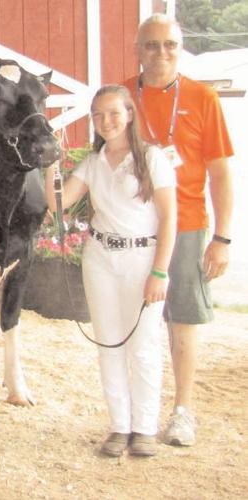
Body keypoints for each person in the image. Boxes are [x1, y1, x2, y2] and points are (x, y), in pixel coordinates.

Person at [46, 85, 176, 457]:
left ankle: (145, 427)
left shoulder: (151, 158)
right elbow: (58, 203)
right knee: (109, 343)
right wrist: (51, 162)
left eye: (113, 113)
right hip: (101, 257)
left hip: (142, 257)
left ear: (129, 114)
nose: (106, 122)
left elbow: (169, 218)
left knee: (144, 344)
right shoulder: (93, 162)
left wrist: (160, 271)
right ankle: (120, 426)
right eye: (98, 115)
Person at [126, 14, 234, 447]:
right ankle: (136, 411)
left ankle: (183, 411)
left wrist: (222, 238)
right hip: (134, 228)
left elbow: (221, 175)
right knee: (136, 323)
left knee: (182, 321)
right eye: (151, 45)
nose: (161, 53)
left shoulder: (202, 97)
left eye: (170, 44)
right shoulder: (122, 95)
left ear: (181, 48)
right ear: (137, 49)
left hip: (187, 227)